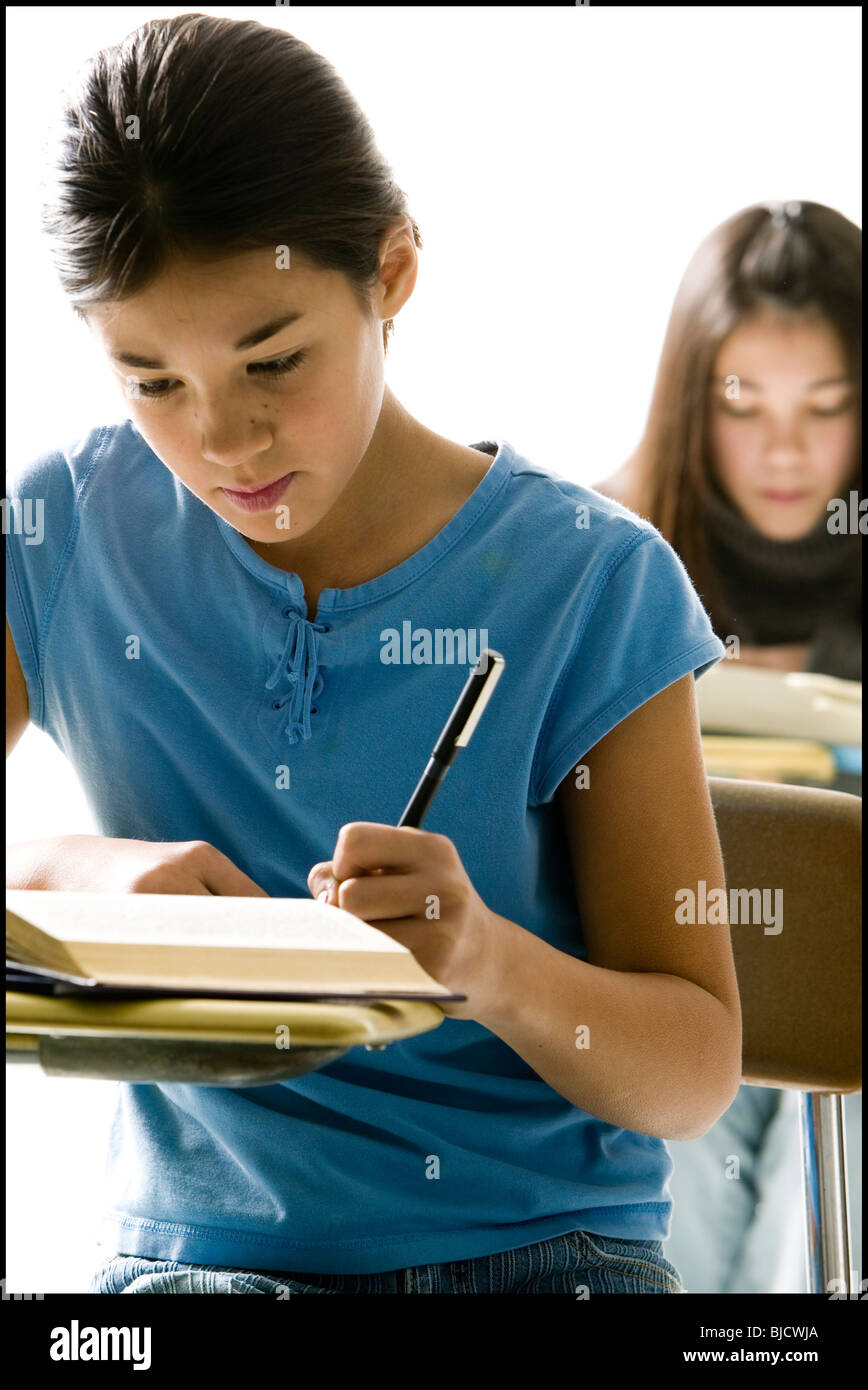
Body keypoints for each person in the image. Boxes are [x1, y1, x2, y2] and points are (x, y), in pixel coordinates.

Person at [7, 13, 740, 1295]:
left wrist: (484, 960)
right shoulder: (59, 533)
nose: (225, 438)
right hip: (190, 1271)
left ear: (392, 271)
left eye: (273, 358)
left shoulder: (588, 581)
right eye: (149, 381)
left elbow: (692, 1066)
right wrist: (79, 868)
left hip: (536, 1260)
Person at [595, 201, 862, 1292]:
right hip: (660, 996)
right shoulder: (607, 563)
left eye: (829, 407)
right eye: (746, 407)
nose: (788, 451)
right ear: (690, 400)